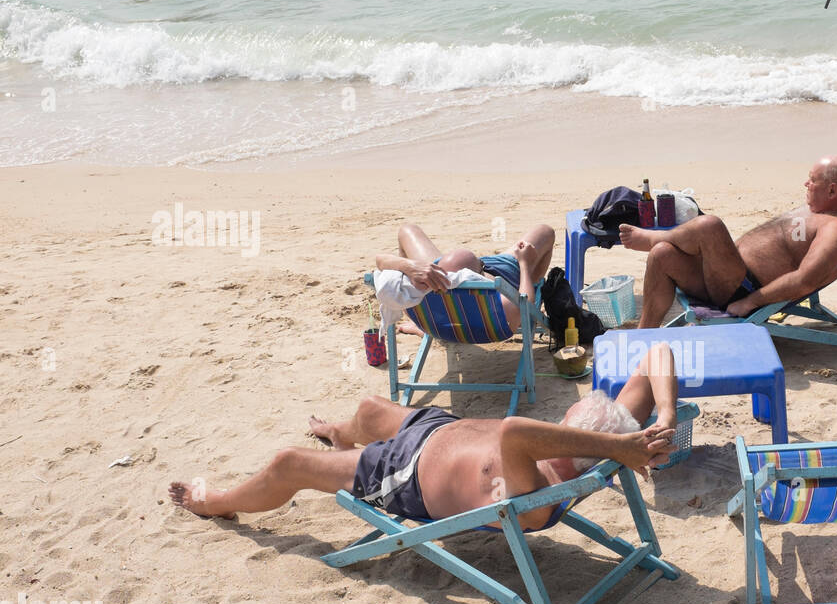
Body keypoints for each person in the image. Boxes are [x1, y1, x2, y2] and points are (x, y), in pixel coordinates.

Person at [169, 345, 680, 530]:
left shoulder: (533, 497)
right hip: (442, 431)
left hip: (406, 473)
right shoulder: (601, 433)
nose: (570, 421)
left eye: (576, 425)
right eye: (574, 416)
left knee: (287, 462)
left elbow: (514, 431)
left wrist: (619, 449)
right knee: (369, 409)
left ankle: (217, 502)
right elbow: (658, 353)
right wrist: (666, 415)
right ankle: (341, 435)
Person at [618, 156, 837, 329]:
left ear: (832, 191)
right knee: (662, 255)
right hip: (724, 275)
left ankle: (652, 237)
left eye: (812, 180)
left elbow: (805, 279)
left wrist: (750, 302)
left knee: (709, 226)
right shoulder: (822, 211)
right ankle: (644, 336)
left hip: (743, 289)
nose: (806, 185)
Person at [375, 222, 555, 332]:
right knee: (545, 231)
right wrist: (524, 265)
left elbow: (380, 260)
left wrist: (410, 266)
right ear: (481, 276)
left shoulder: (413, 291)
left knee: (407, 229)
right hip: (500, 273)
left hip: (437, 286)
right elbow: (526, 307)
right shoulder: (501, 303)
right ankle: (531, 281)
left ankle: (420, 326)